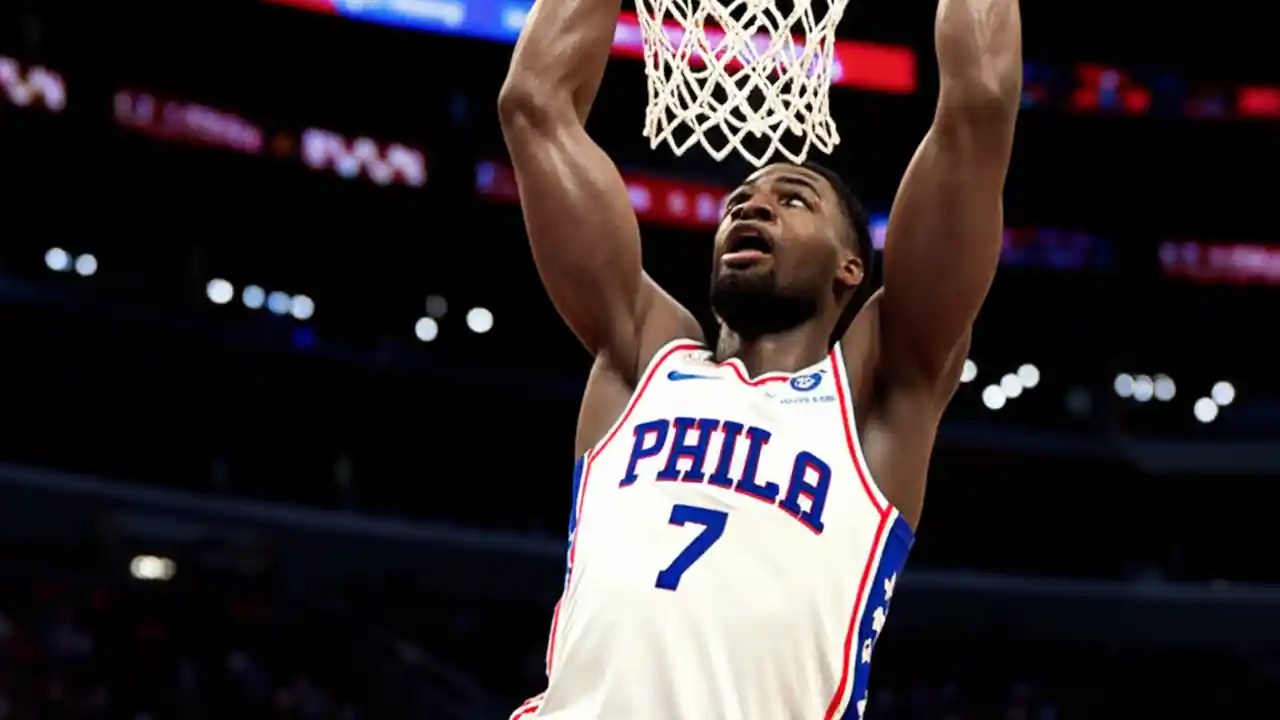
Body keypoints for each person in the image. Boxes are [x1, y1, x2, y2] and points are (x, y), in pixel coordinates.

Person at [497, 0, 1021, 715]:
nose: (751, 207)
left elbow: (980, 103)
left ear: (850, 268)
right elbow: (534, 104)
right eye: (739, 199)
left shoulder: (876, 393)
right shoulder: (640, 357)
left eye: (793, 199)